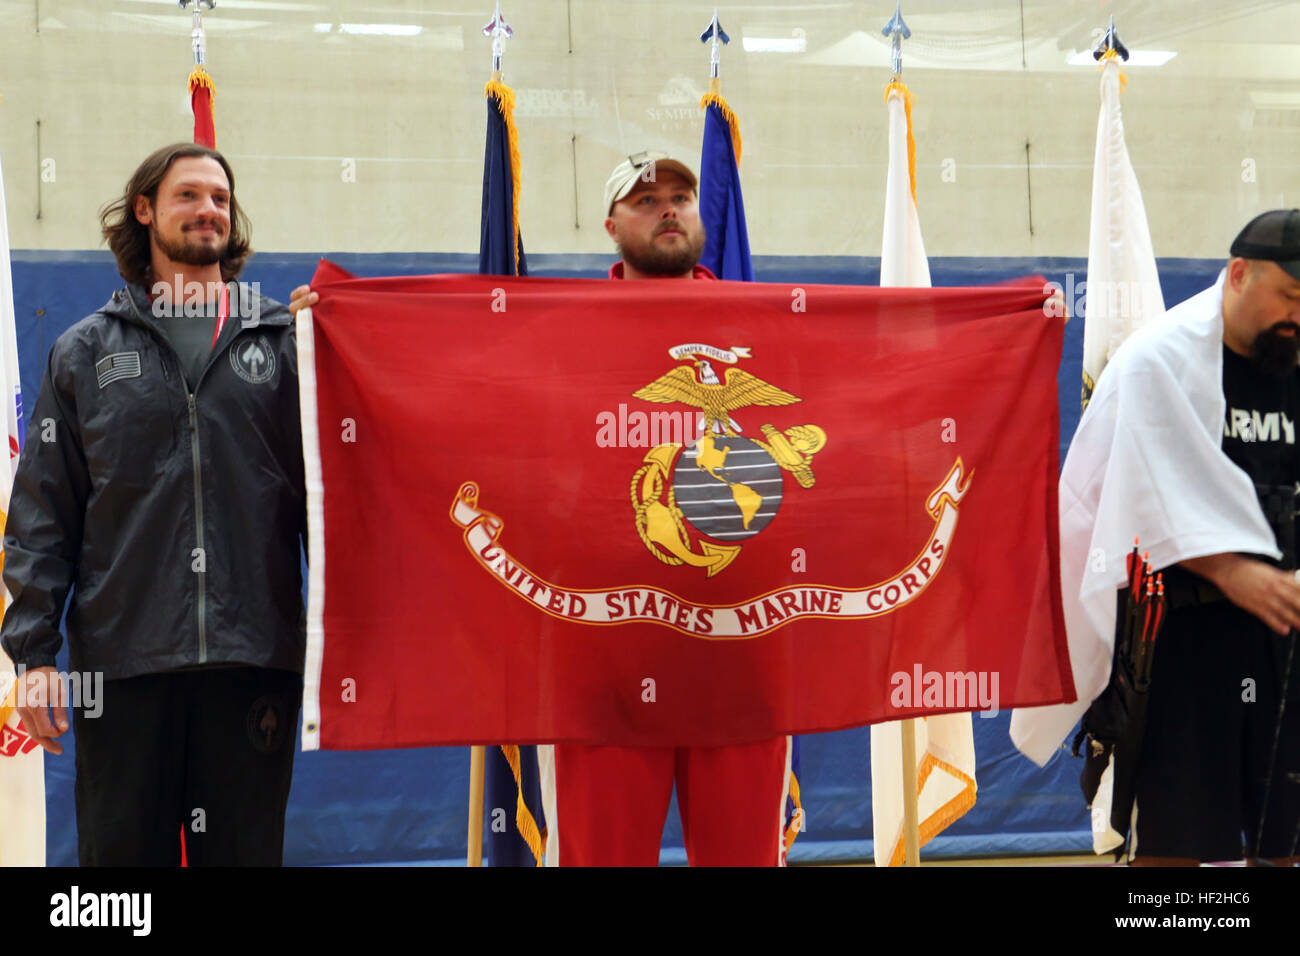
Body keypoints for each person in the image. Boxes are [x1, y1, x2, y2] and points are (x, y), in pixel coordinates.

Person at [286, 152, 792, 866]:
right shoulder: (560, 331)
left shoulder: (769, 325)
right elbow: (456, 389)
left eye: (681, 196)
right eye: (646, 201)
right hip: (600, 655)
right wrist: (337, 330)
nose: (669, 209)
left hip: (741, 649)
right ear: (611, 224)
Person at [2, 143, 307, 866]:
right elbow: (44, 513)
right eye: (188, 196)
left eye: (221, 200)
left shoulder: (288, 343)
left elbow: (337, 497)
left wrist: (341, 335)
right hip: (123, 670)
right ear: (144, 211)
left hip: (252, 661)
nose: (209, 211)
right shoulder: (84, 352)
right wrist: (34, 655)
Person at [1013, 209, 1300, 866]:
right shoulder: (1157, 362)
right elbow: (1122, 500)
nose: (1297, 315)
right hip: (1188, 646)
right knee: (1176, 840)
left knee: (1285, 836)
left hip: (1287, 644)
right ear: (1238, 275)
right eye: (1289, 296)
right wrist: (1229, 568)